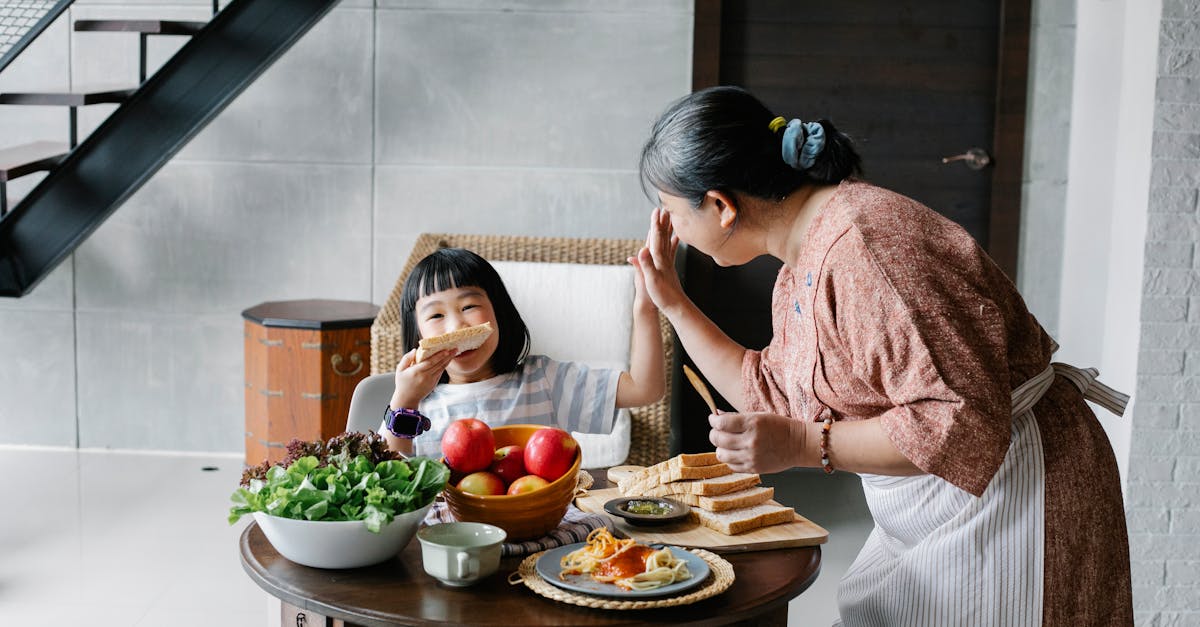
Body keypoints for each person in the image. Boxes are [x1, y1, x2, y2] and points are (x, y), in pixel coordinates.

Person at [631, 86, 1132, 625]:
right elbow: (772, 391)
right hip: (941, 506)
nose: (670, 228)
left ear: (721, 206)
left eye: (670, 210)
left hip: (1016, 497)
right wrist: (674, 304)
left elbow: (958, 423)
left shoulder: (866, 248)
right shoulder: (802, 260)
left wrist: (801, 443)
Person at [379, 247, 664, 466]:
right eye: (437, 315)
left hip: (541, 531)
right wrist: (405, 400)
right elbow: (388, 483)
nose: (456, 326)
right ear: (417, 335)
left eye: (469, 306)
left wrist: (646, 307)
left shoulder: (546, 381)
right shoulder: (414, 408)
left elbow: (645, 389)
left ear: (499, 313)